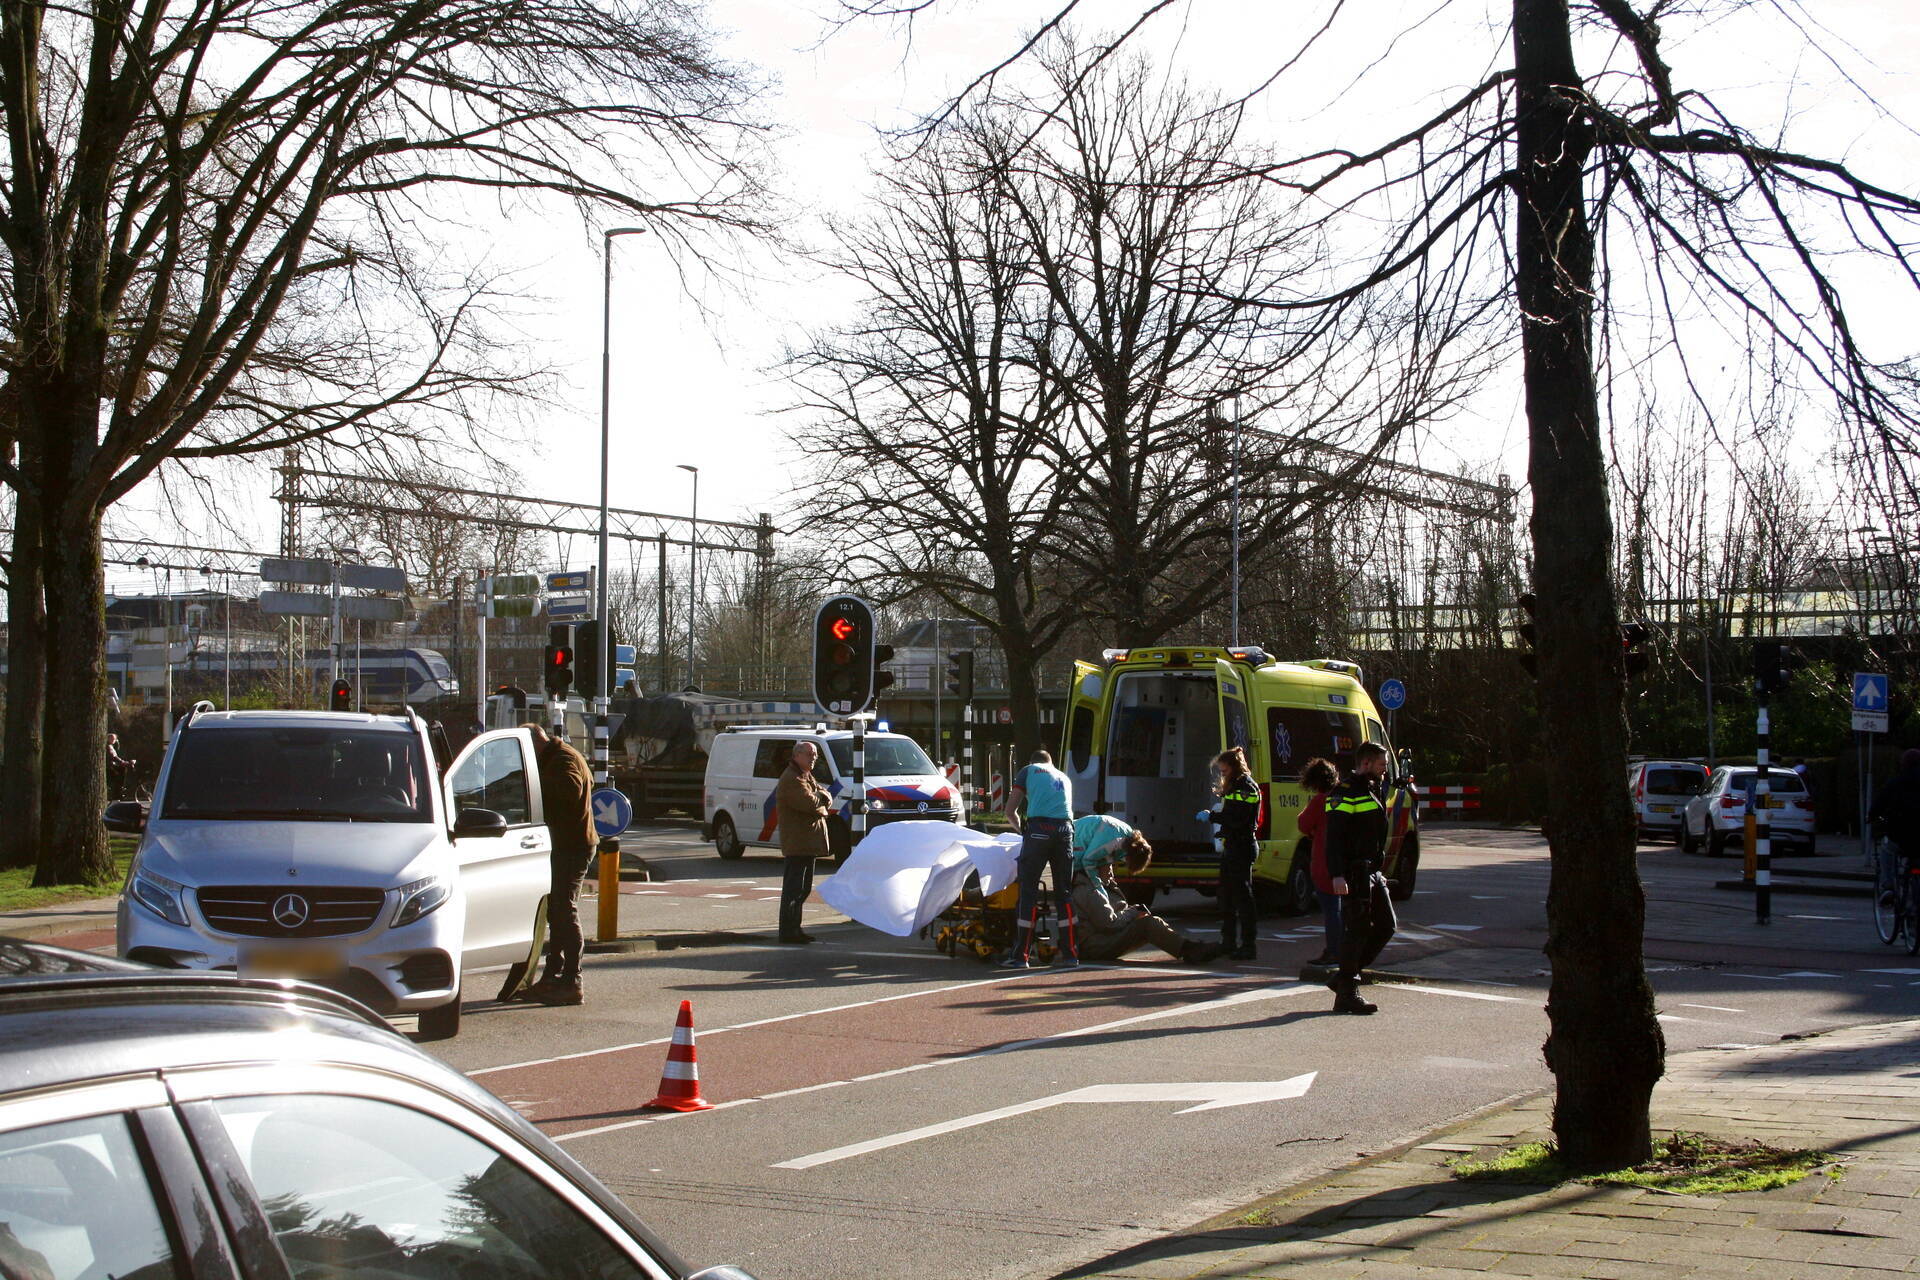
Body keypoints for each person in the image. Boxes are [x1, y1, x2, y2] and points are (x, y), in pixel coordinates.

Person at [1069, 815, 1225, 964]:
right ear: (1096, 869)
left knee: (1147, 922)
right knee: (1148, 925)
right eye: (1108, 866)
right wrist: (1134, 912)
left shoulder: (1102, 885)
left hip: (1100, 938)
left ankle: (1188, 947)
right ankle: (1189, 949)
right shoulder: (1089, 889)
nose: (1111, 870)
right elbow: (1109, 924)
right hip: (1094, 945)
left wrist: (1131, 912)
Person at [521, 722, 597, 1006]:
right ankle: (553, 974)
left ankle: (572, 980)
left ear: (536, 744)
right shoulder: (555, 757)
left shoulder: (564, 759)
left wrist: (534, 785)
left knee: (564, 909)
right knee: (555, 909)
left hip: (573, 845)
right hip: (562, 844)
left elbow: (570, 790)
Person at [1326, 741, 1396, 1015]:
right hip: (1354, 871)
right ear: (1366, 764)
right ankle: (1348, 990)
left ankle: (1344, 977)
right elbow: (1334, 838)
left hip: (1371, 872)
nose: (1385, 771)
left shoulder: (1372, 788)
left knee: (1386, 925)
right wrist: (1337, 874)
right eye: (1382, 765)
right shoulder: (1345, 792)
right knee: (1355, 931)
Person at [1000, 748, 1078, 968]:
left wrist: (1022, 831)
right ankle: (1070, 954)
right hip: (1065, 831)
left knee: (1028, 892)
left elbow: (1009, 811)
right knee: (1064, 893)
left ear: (1033, 761)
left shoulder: (1028, 771)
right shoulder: (1064, 777)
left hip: (1039, 830)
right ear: (1050, 762)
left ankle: (1021, 955)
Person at [1201, 747, 1262, 960]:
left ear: (1234, 768)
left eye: (1224, 771)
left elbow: (1238, 819)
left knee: (1242, 897)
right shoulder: (1237, 785)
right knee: (1226, 896)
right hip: (1232, 846)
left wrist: (1213, 817)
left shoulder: (1247, 788)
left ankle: (1248, 945)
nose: (1222, 774)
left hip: (1242, 846)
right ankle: (1228, 942)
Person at [775, 740, 833, 944]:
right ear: (797, 755)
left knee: (803, 888)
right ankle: (788, 931)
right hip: (797, 841)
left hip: (807, 842)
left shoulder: (805, 775)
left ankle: (795, 928)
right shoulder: (792, 778)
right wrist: (822, 799)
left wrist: (821, 798)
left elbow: (822, 795)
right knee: (794, 888)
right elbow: (809, 802)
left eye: (815, 754)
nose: (814, 758)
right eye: (810, 754)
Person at [1295, 757, 1342, 967]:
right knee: (1343, 910)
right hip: (1345, 860)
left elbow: (1303, 824)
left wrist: (1314, 830)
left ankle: (1334, 950)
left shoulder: (1319, 801)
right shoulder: (1343, 797)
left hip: (1324, 861)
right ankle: (1344, 950)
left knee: (1331, 910)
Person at [1869, 747, 1920, 868]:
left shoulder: (1894, 783)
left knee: (1887, 850)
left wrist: (1872, 816)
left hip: (1899, 834)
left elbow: (1879, 804)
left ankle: (1888, 885)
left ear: (1903, 764)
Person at [106, 734, 137, 801]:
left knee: (121, 771)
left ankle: (118, 791)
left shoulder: (111, 746)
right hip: (110, 766)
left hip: (112, 765)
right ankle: (117, 792)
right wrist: (124, 762)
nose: (113, 740)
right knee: (121, 772)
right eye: (111, 738)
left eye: (114, 739)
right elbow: (114, 757)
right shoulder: (109, 746)